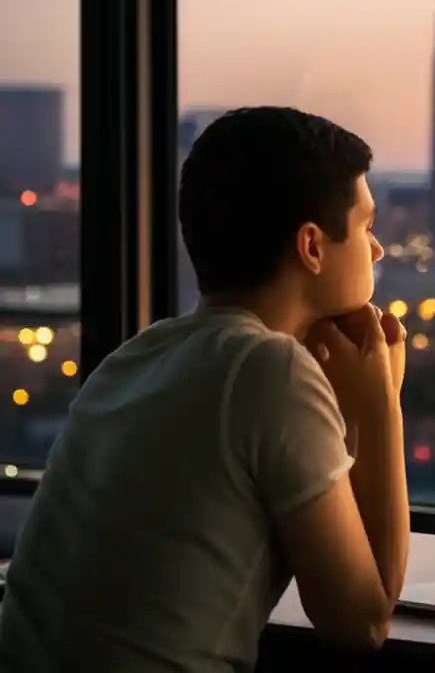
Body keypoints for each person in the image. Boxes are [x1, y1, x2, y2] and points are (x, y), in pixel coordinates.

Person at [0, 107, 410, 671]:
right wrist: (381, 403)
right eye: (367, 227)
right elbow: (362, 622)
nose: (379, 249)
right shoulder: (270, 369)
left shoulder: (138, 356)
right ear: (312, 246)